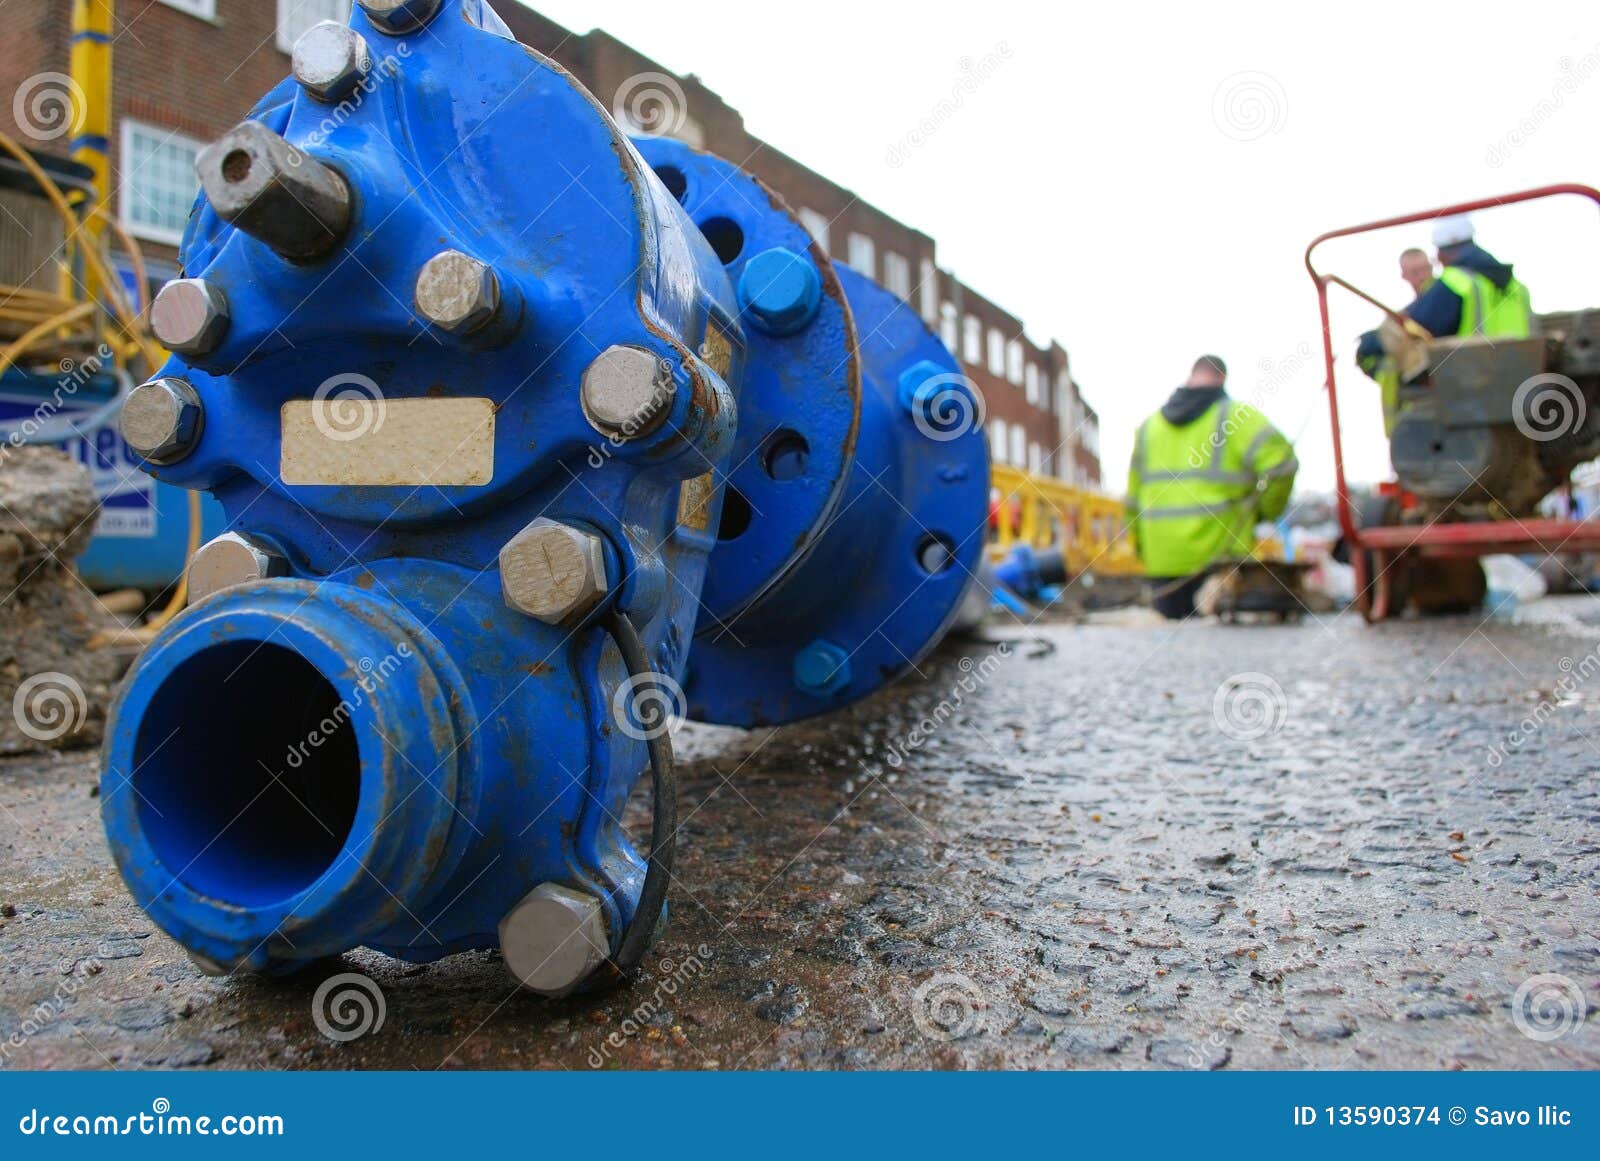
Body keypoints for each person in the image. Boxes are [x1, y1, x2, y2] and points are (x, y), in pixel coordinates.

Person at [1125, 356, 1299, 619]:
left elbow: (1131, 500)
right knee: (1219, 650)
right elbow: (1282, 465)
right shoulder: (1236, 417)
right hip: (1221, 557)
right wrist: (1263, 512)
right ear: (1222, 378)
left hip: (1161, 558)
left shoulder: (1149, 427)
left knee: (1167, 646)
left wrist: (1141, 548)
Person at [1357, 216, 1533, 399]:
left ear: (1440, 254)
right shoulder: (1517, 287)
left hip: (1477, 393)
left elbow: (1414, 327)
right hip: (1523, 389)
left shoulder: (1457, 281)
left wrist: (1368, 342)